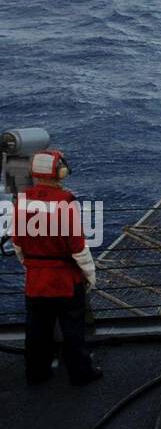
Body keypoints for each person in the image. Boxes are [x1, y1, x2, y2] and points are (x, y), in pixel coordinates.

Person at [12, 149, 101, 386]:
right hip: (65, 282)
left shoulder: (22, 201)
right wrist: (90, 276)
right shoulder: (66, 202)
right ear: (59, 172)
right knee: (73, 331)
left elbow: (18, 243)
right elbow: (78, 248)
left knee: (37, 332)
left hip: (35, 282)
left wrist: (33, 266)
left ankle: (36, 373)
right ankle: (81, 374)